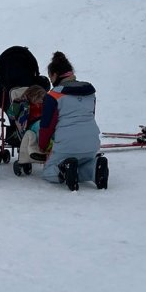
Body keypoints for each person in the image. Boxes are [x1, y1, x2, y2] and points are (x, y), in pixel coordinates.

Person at [39, 51, 108, 191]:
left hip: (67, 146)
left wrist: (43, 146)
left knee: (47, 171)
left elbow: (47, 126)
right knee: (83, 162)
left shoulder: (53, 96)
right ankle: (94, 168)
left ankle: (64, 169)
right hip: (91, 143)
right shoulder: (90, 92)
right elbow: (91, 116)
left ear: (54, 75)